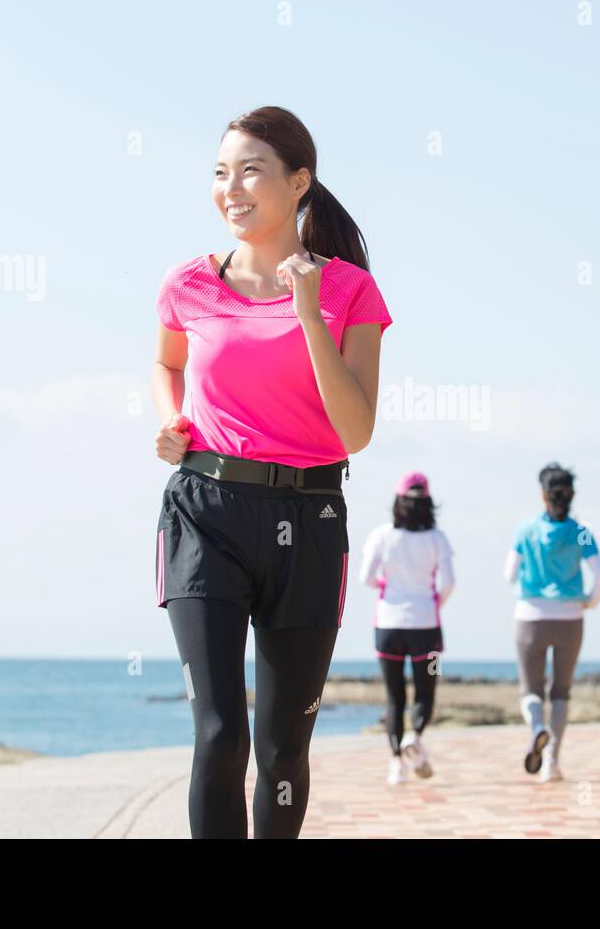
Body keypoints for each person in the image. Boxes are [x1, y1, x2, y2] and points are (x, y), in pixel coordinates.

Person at [151, 106, 393, 838]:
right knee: (222, 733)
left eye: (251, 170)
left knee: (284, 749)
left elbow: (355, 430)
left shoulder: (350, 291)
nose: (232, 188)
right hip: (205, 511)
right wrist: (171, 418)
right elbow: (168, 361)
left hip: (309, 520)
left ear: (299, 182)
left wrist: (309, 311)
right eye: (221, 173)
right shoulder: (187, 283)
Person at [504, 462, 600, 783]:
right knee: (561, 691)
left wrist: (529, 591)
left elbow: (509, 575)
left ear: (542, 494)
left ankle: (538, 728)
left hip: (531, 616)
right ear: (572, 494)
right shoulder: (581, 531)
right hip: (570, 618)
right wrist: (588, 602)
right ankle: (552, 763)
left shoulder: (525, 529)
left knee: (530, 691)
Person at [359, 472, 454, 785]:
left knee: (394, 697)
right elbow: (448, 583)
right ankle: (414, 735)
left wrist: (386, 585)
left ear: (398, 501)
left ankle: (396, 764)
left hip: (388, 626)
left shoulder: (381, 535)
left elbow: (366, 578)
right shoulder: (437, 539)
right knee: (426, 692)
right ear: (428, 503)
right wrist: (433, 602)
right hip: (426, 626)